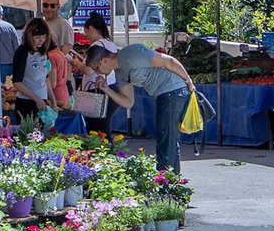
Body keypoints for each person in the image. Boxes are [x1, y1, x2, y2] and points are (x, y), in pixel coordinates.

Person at [86, 44, 194, 173]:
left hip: (173, 90)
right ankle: (170, 182)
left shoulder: (132, 53)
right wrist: (106, 89)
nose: (97, 73)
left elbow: (169, 61)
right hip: (164, 94)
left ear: (104, 60)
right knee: (167, 139)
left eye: (97, 68)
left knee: (166, 140)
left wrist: (188, 81)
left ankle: (165, 182)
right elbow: (128, 103)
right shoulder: (119, 73)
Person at [78, 14, 118, 134]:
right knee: (103, 129)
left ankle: (105, 152)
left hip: (98, 92)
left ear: (91, 29)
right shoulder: (109, 43)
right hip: (110, 89)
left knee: (97, 131)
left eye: (86, 33)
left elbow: (88, 70)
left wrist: (74, 62)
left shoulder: (97, 45)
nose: (87, 37)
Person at [12, 18, 55, 119]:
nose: (41, 40)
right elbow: (17, 83)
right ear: (30, 36)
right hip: (26, 103)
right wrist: (36, 99)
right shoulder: (22, 52)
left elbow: (46, 78)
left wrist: (53, 101)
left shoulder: (44, 52)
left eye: (44, 37)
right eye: (37, 37)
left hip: (42, 102)